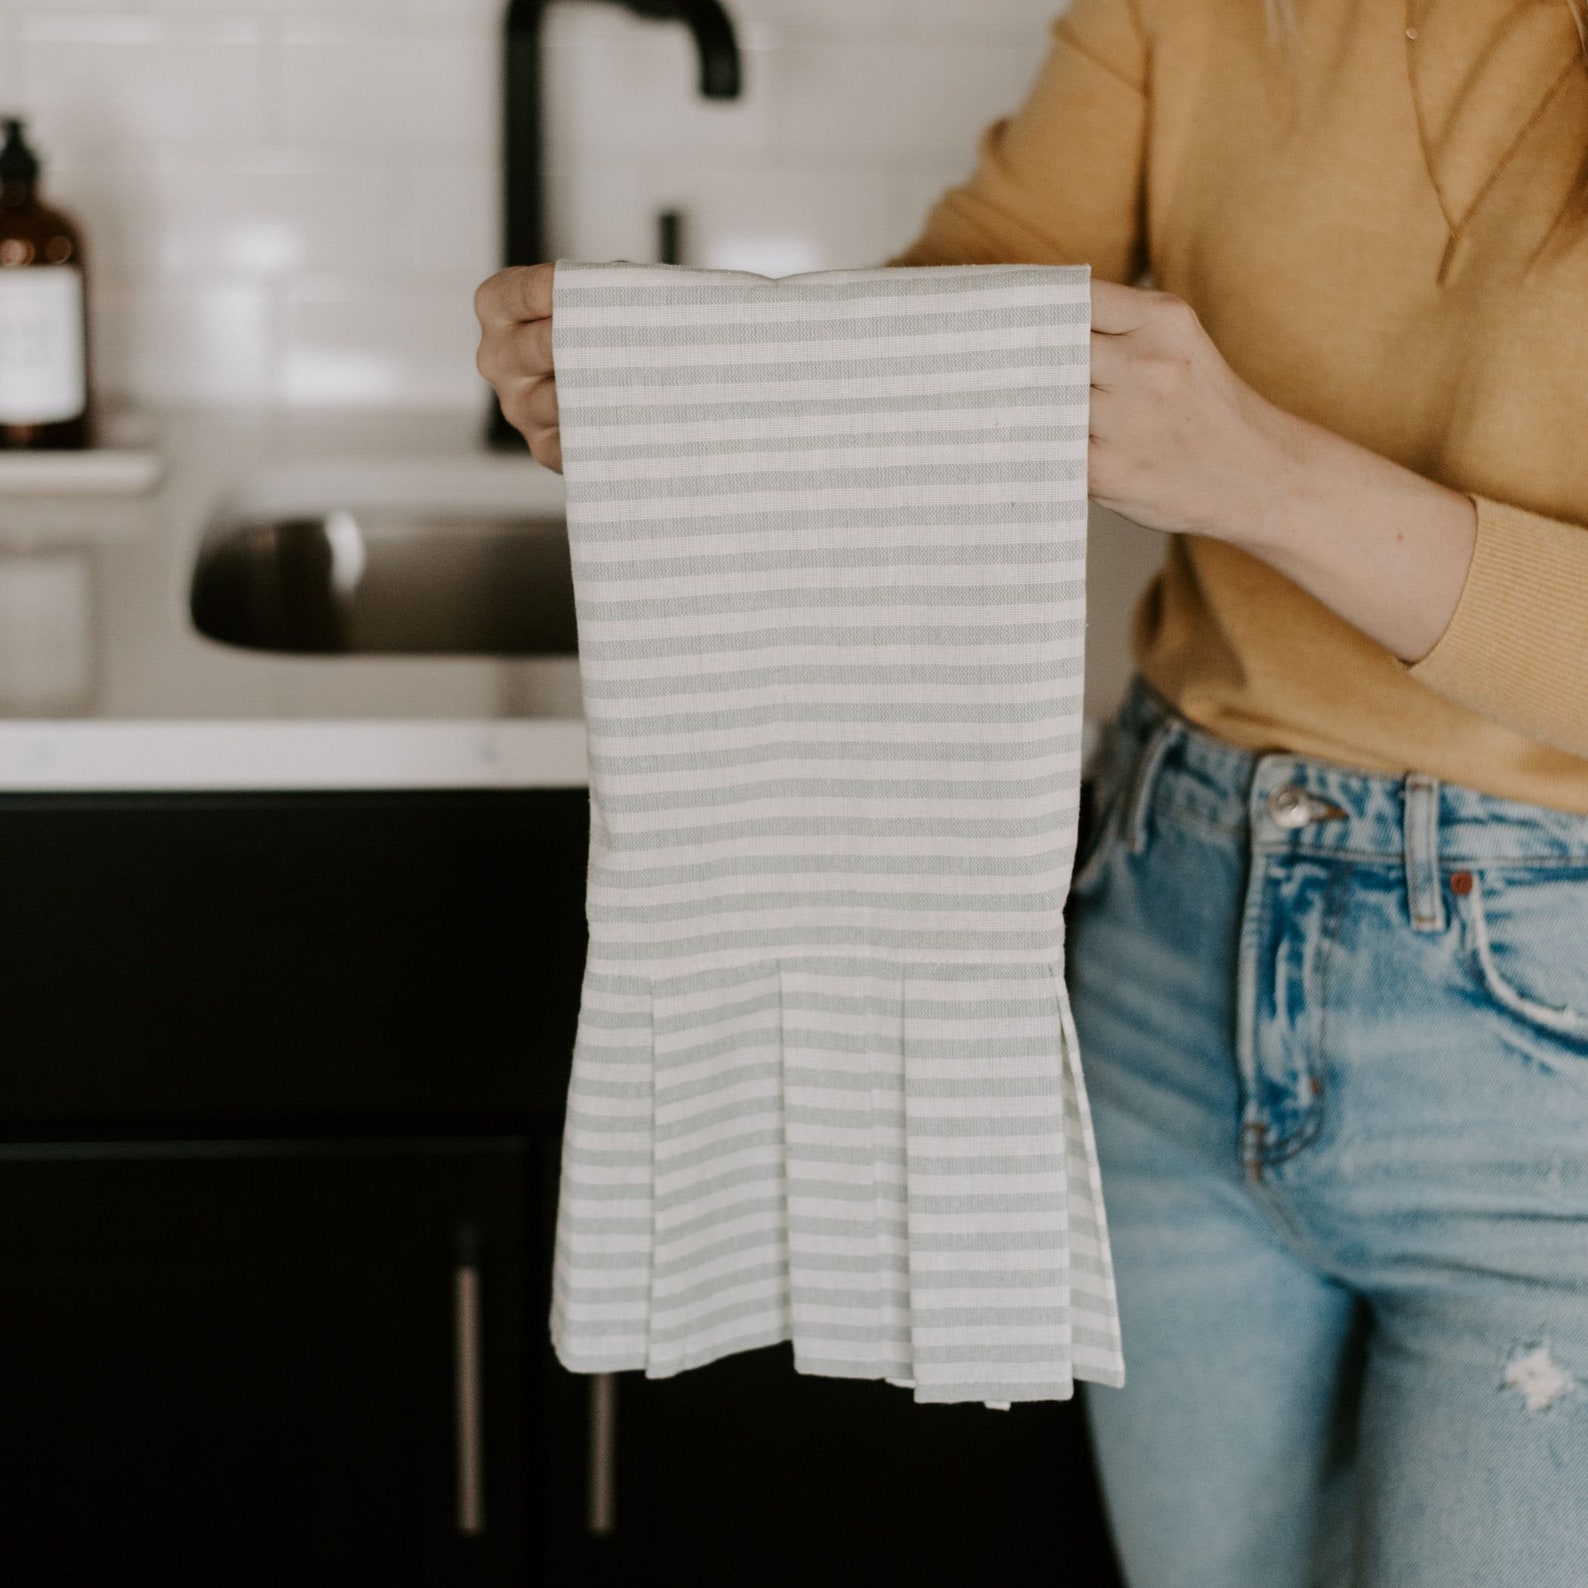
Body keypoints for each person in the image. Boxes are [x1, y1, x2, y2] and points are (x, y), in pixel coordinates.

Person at [475, 3, 1588, 1582]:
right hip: (1166, 948)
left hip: (1550, 1056)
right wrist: (685, 394)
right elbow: (989, 286)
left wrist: (1260, 474)